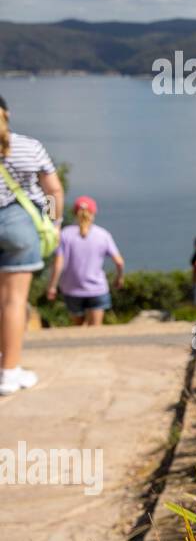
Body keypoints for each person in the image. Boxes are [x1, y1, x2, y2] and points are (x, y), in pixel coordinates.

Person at [0, 94, 63, 395]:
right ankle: (9, 372)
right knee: (13, 301)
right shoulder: (29, 146)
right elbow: (53, 190)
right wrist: (55, 222)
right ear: (7, 114)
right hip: (20, 228)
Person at [45, 196, 124, 326]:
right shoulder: (103, 235)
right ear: (94, 213)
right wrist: (119, 278)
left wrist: (52, 286)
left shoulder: (65, 234)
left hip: (72, 289)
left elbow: (58, 264)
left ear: (74, 212)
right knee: (95, 331)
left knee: (78, 330)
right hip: (97, 289)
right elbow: (119, 262)